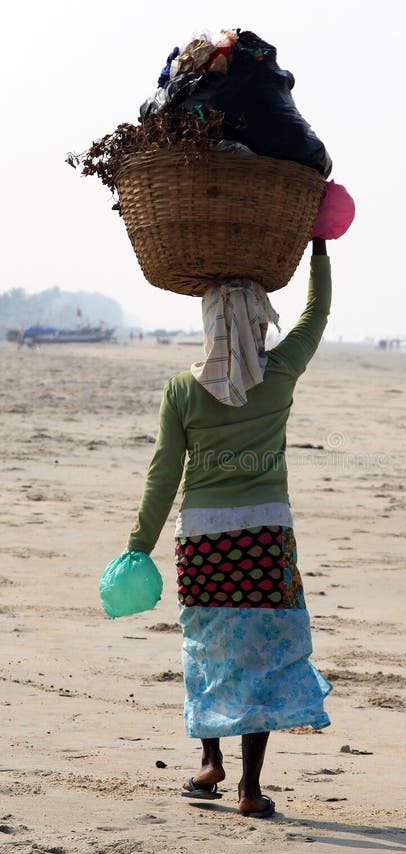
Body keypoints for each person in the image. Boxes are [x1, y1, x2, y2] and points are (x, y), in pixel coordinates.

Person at [126, 238, 332, 818]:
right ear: (260, 322)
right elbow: (317, 315)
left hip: (201, 541)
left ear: (210, 323)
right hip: (264, 539)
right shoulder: (281, 372)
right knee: (262, 655)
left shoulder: (183, 389)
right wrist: (318, 250)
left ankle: (209, 761)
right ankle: (248, 788)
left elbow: (163, 474)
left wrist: (138, 546)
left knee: (207, 647)